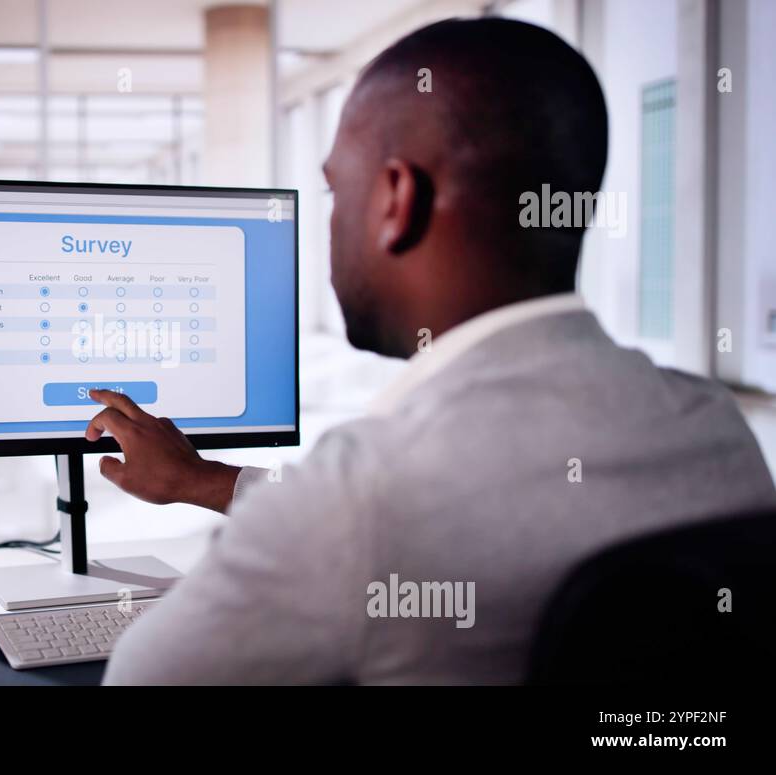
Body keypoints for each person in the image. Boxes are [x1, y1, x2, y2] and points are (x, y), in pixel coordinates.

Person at [94, 18, 776, 684]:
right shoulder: (716, 429)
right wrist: (199, 480)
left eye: (337, 189)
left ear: (396, 199)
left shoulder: (361, 496)